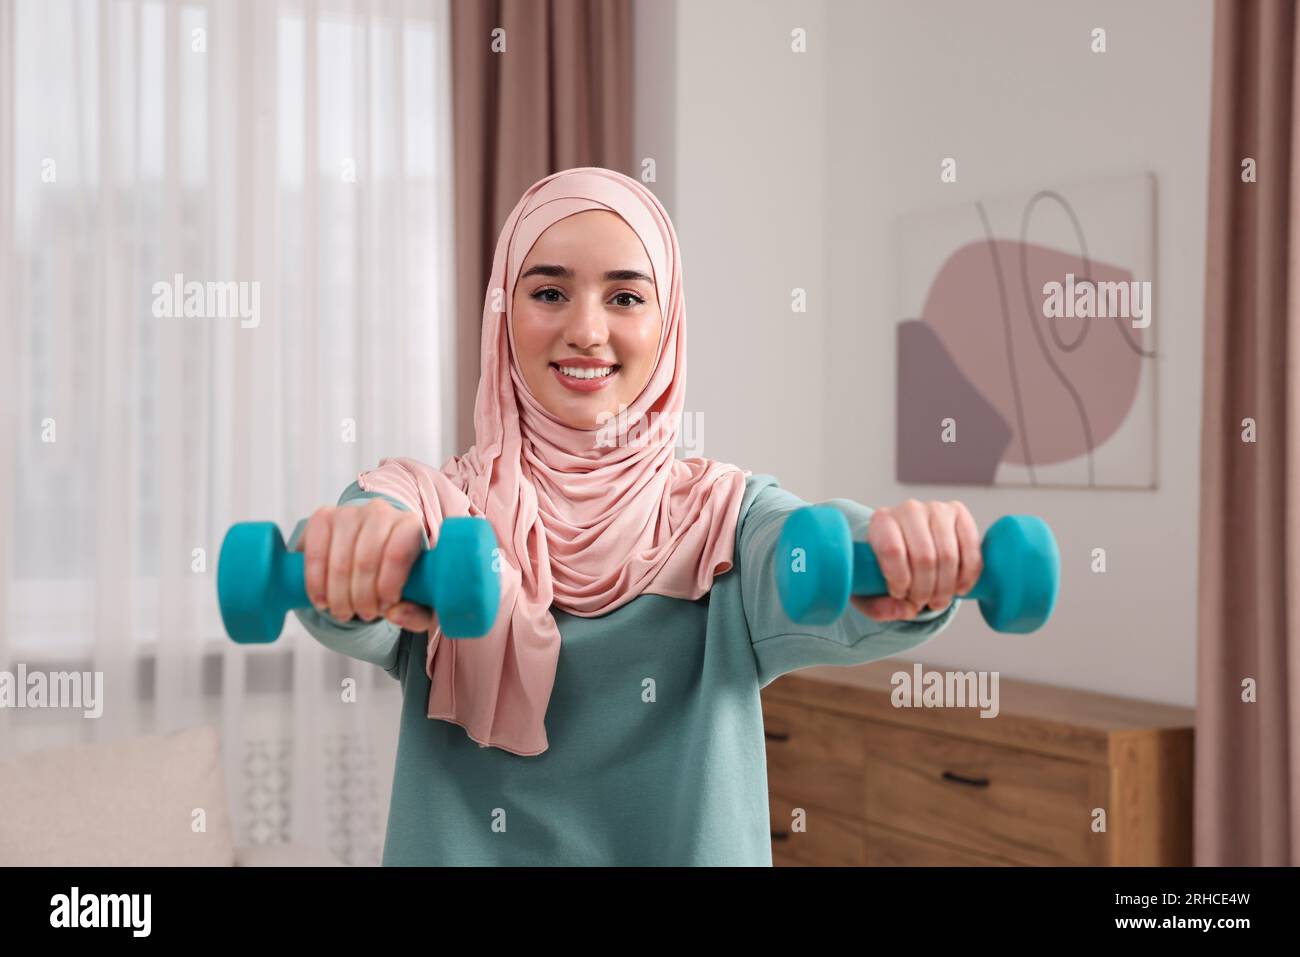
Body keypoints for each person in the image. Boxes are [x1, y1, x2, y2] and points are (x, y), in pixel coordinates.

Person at [289, 167, 982, 866]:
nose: (587, 330)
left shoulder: (724, 521)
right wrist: (359, 546)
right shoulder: (439, 519)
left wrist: (897, 550)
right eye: (550, 291)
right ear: (503, 310)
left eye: (625, 296)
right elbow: (368, 545)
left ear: (668, 319)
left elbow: (812, 558)